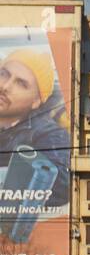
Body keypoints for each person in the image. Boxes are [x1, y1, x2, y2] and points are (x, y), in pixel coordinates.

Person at [0, 48, 71, 213]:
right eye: (4, 74)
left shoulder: (47, 134)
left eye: (21, 83)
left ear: (36, 101)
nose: (5, 86)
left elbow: (61, 183)